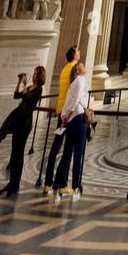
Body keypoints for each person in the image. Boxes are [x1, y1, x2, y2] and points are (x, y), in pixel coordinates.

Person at [0, 66, 46, 199]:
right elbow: (16, 95)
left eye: (36, 73)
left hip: (25, 123)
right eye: (34, 73)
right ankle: (12, 183)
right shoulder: (29, 87)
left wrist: (25, 87)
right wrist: (20, 82)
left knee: (19, 154)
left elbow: (29, 101)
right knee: (14, 154)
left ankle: (15, 185)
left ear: (40, 76)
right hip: (19, 121)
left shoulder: (38, 90)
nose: (34, 75)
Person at [44, 45, 80, 194]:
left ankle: (48, 182)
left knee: (55, 148)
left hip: (60, 110)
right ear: (74, 56)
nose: (80, 53)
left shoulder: (65, 68)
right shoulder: (74, 70)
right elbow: (75, 94)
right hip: (69, 114)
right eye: (78, 52)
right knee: (68, 150)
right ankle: (62, 184)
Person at [53, 61, 90, 202]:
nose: (84, 67)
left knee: (66, 155)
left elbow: (67, 103)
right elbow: (76, 101)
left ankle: (57, 188)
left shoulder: (72, 84)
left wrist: (64, 117)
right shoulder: (81, 81)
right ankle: (75, 188)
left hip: (70, 121)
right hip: (79, 120)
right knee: (77, 156)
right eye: (82, 66)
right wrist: (67, 116)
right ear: (78, 71)